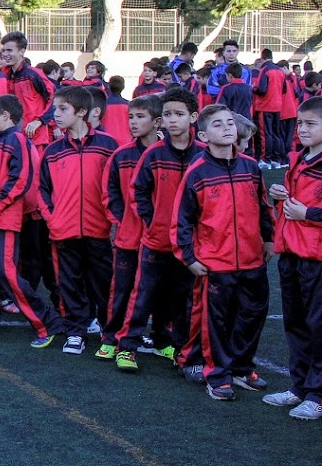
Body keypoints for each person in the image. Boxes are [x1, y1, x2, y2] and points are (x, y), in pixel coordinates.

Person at [176, 105, 273, 400]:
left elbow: (263, 207)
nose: (227, 128)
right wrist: (190, 258)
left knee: (252, 316)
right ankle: (217, 375)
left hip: (252, 259)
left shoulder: (251, 167)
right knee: (215, 324)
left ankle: (242, 369)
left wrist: (268, 240)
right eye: (218, 125)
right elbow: (181, 220)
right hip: (215, 263)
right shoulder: (196, 172)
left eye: (230, 122)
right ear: (203, 135)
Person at [114, 88, 202, 372]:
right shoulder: (153, 154)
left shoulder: (203, 155)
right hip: (156, 239)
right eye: (167, 115)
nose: (172, 120)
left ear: (193, 117)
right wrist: (151, 221)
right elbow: (138, 189)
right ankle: (126, 347)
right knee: (142, 296)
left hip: (190, 244)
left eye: (179, 114)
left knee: (184, 298)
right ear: (160, 120)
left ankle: (181, 349)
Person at [0, 95, 63, 347]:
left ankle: (47, 322)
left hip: (1, 219)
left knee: (7, 274)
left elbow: (21, 177)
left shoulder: (15, 139)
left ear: (6, 116)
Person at [38, 86, 118, 356]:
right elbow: (42, 189)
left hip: (100, 230)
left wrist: (113, 221)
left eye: (63, 109)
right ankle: (75, 332)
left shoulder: (108, 146)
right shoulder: (52, 151)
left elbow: (117, 188)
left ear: (82, 112)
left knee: (104, 283)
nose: (55, 114)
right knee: (69, 284)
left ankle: (109, 332)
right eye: (55, 108)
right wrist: (53, 219)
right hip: (64, 230)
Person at [266, 97, 322, 418]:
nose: (301, 129)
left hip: (316, 256)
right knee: (296, 323)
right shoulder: (298, 158)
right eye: (300, 123)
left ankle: (317, 393)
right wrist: (282, 199)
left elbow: (309, 209)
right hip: (291, 252)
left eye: (310, 123)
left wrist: (308, 212)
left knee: (318, 326)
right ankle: (299, 386)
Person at [101, 95, 160, 361]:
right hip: (129, 235)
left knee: (161, 290)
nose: (133, 123)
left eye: (140, 117)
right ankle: (112, 337)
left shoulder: (168, 153)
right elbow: (109, 192)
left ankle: (163, 338)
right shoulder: (121, 155)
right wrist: (121, 220)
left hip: (161, 238)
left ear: (156, 121)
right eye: (131, 117)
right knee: (122, 289)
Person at [0, 31, 54, 148]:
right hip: (12, 137)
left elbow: (55, 98)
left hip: (35, 138)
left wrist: (40, 121)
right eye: (3, 50)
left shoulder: (34, 74)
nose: (5, 54)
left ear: (22, 51)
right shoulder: (3, 76)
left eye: (9, 50)